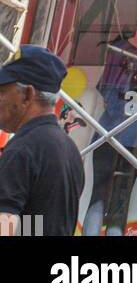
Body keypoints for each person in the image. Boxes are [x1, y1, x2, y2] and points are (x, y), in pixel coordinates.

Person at [0, 44, 84, 236]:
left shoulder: (23, 149)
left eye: (2, 92)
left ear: (28, 95)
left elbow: (5, 222)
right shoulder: (69, 148)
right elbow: (36, 223)